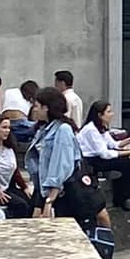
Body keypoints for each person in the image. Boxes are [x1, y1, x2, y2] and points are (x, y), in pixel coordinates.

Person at [77, 99, 130, 212]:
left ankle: (122, 196)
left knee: (126, 162)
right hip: (90, 160)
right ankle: (123, 197)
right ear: (100, 115)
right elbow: (104, 153)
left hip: (99, 157)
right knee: (126, 163)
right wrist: (129, 152)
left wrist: (128, 141)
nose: (112, 114)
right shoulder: (91, 130)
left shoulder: (101, 128)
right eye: (109, 112)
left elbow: (113, 144)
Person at [25, 87, 80, 215]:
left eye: (37, 106)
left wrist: (50, 199)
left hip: (59, 191)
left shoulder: (63, 130)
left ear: (47, 108)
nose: (34, 109)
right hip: (42, 186)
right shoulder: (42, 129)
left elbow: (62, 164)